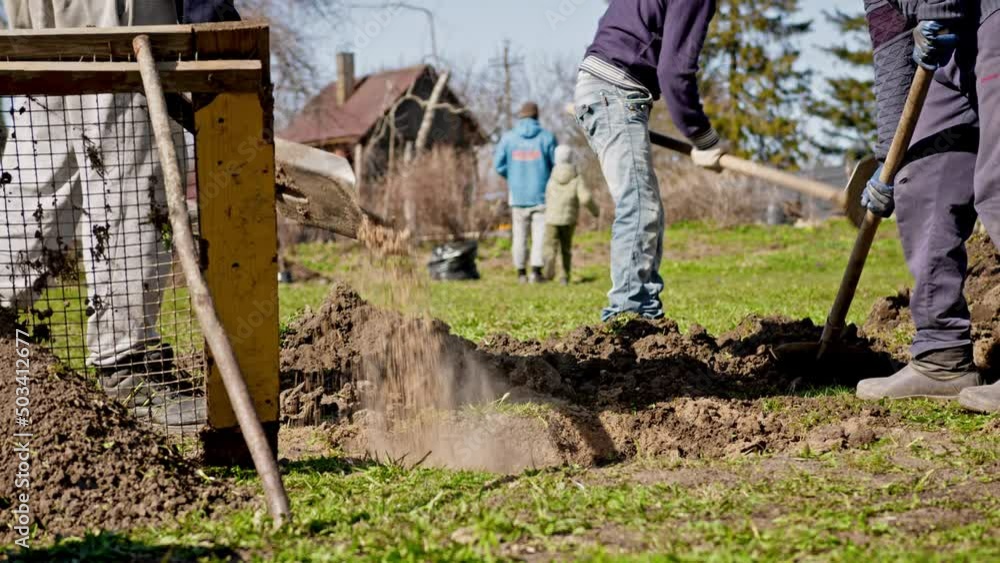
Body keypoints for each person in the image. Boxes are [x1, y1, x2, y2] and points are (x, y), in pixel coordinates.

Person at [0, 0, 240, 429]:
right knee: (131, 172)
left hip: (38, 13)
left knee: (41, 171)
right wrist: (210, 16)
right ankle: (126, 365)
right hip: (120, 13)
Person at [855, 0, 1000, 413]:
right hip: (950, 43)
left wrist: (939, 7)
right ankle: (941, 357)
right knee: (922, 178)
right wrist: (888, 160)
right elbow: (891, 48)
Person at [575, 0, 728, 321]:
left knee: (645, 204)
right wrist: (704, 138)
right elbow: (675, 73)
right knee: (640, 204)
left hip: (602, 86)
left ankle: (642, 309)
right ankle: (630, 311)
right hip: (615, 90)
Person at [494, 102, 558, 284]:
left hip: (517, 195)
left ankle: (521, 273)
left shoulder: (508, 138)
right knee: (539, 235)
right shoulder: (547, 137)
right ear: (537, 116)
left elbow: (498, 165)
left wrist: (513, 176)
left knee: (519, 236)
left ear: (520, 116)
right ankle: (536, 273)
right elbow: (556, 165)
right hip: (541, 195)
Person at [543, 146, 599, 285]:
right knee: (565, 249)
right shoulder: (576, 177)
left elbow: (547, 195)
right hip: (569, 219)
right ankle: (564, 277)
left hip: (551, 219)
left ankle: (548, 272)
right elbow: (585, 198)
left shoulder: (552, 176)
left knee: (549, 247)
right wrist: (595, 211)